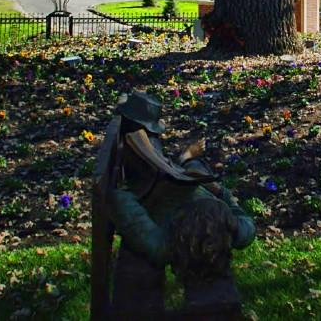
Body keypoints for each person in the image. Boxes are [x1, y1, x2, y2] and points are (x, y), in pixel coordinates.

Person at [108, 92, 255, 318]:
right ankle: (188, 160)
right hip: (197, 195)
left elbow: (158, 248)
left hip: (187, 195)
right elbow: (247, 229)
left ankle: (188, 160)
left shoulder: (176, 234)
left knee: (193, 169)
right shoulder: (226, 221)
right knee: (195, 169)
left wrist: (123, 200)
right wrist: (221, 193)